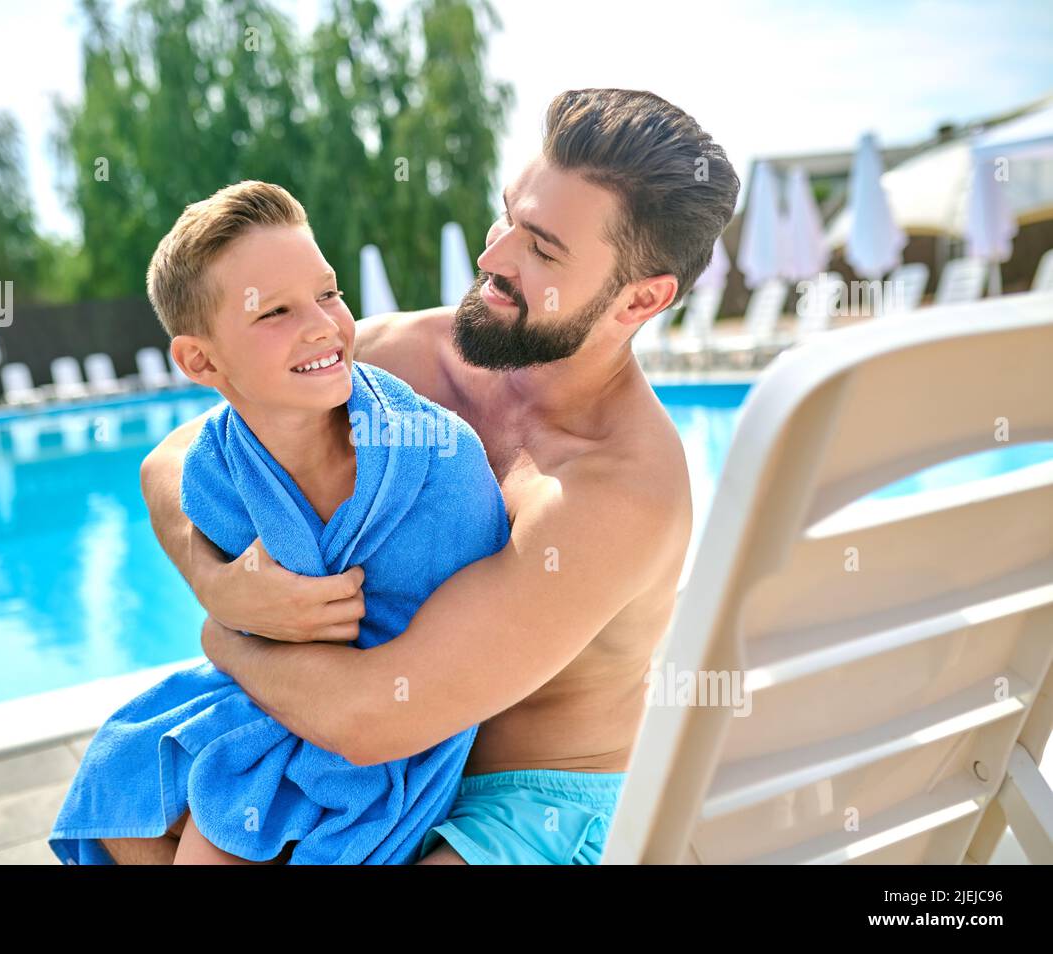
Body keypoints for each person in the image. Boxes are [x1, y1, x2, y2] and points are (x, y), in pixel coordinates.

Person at [136, 88, 741, 865]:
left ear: (642, 299)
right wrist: (215, 578)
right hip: (377, 771)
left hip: (523, 805)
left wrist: (225, 635)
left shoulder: (617, 488)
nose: (493, 260)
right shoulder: (416, 357)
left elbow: (372, 717)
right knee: (137, 814)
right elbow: (178, 456)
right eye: (506, 218)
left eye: (543, 249)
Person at [49, 180, 510, 865]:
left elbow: (448, 682)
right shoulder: (216, 472)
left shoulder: (438, 467)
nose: (322, 325)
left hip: (394, 741)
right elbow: (248, 620)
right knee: (120, 804)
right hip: (272, 702)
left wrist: (231, 639)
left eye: (329, 293)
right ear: (200, 360)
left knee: (208, 845)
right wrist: (227, 603)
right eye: (276, 312)